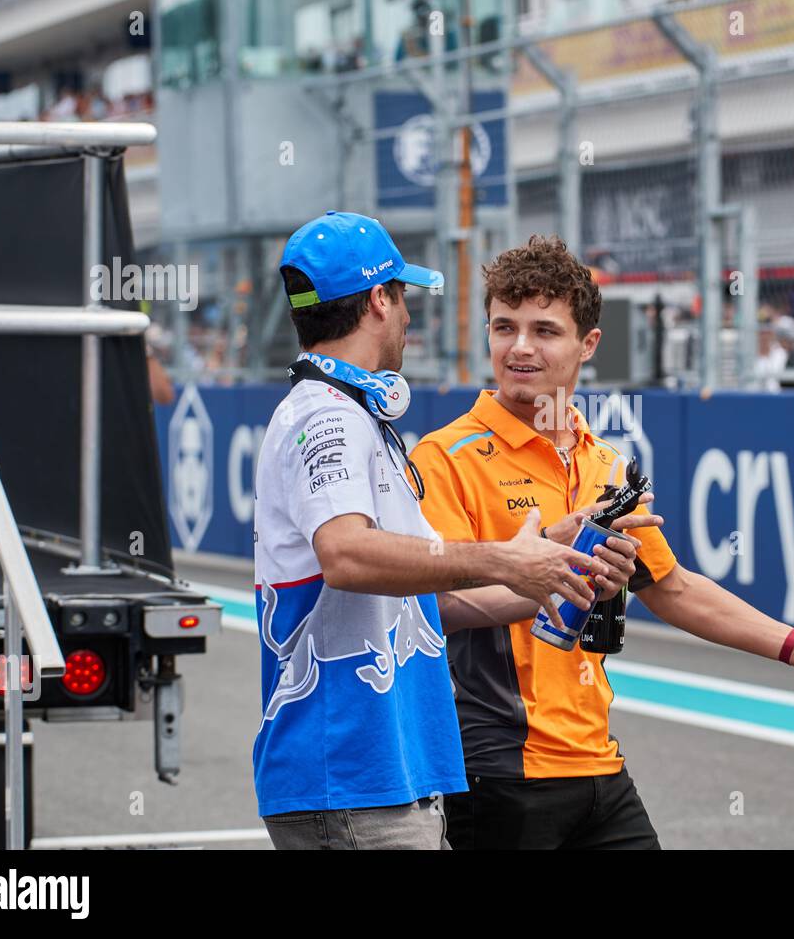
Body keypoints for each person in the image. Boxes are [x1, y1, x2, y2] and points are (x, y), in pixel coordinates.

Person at [410, 236, 794, 850]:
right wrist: (552, 575)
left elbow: (673, 588)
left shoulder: (610, 466)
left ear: (588, 345)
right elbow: (435, 606)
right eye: (504, 326)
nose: (520, 347)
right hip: (496, 772)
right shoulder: (445, 456)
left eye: (545, 330)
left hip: (598, 768)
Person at [252, 214, 634, 849]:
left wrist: (546, 565)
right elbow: (345, 553)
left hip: (378, 772)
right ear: (380, 300)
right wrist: (503, 560)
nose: (407, 317)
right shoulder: (328, 416)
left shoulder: (345, 412)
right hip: (353, 774)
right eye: (402, 298)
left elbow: (423, 602)